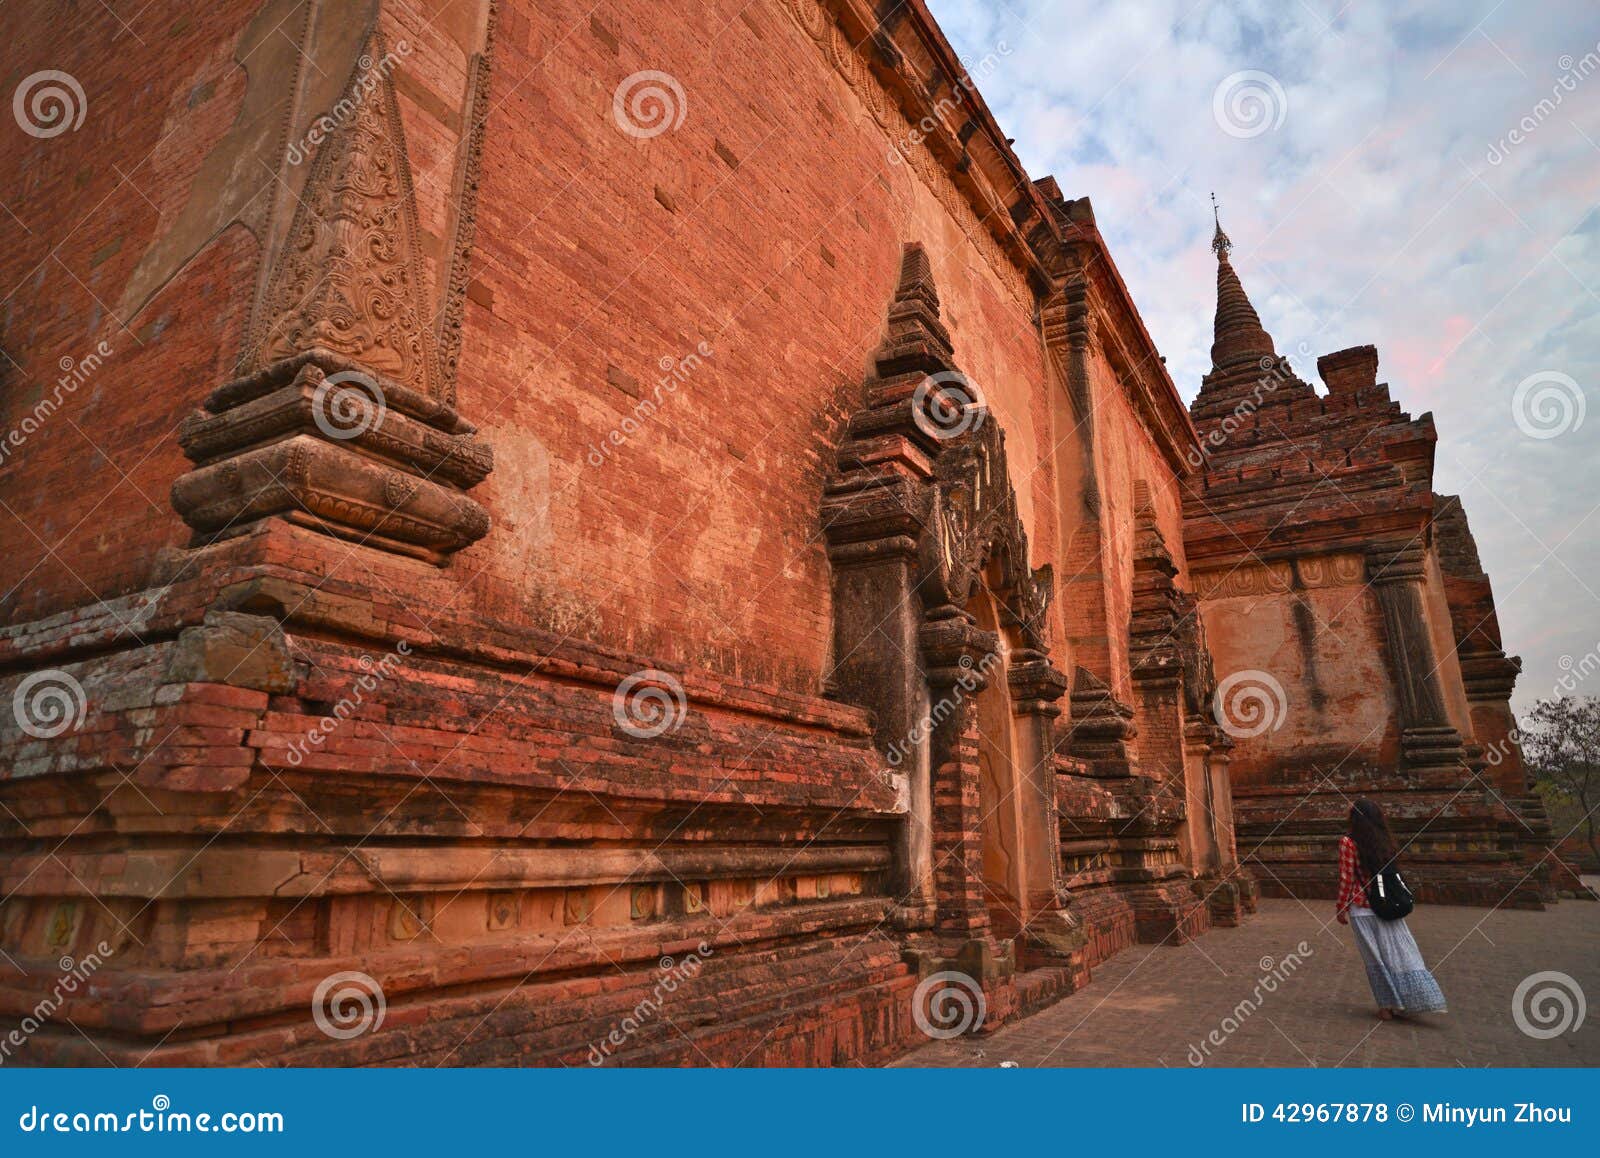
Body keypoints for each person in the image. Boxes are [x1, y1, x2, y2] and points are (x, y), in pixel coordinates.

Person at [1335, 798, 1448, 1019]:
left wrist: (1341, 907)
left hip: (1362, 908)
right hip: (1387, 905)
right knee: (1401, 953)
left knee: (1375, 959)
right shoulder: (1384, 840)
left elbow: (1347, 879)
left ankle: (1387, 1005)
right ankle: (1418, 998)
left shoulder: (1348, 842)